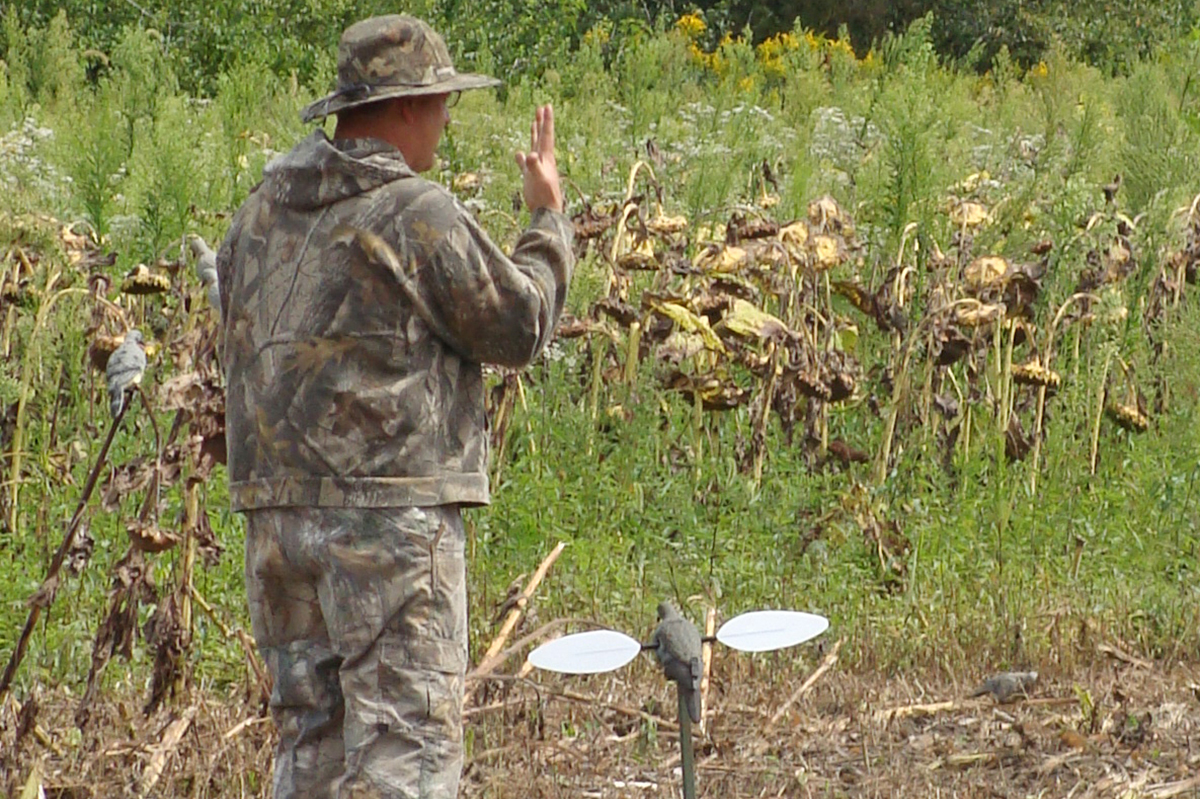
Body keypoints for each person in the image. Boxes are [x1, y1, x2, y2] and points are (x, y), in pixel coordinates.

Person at [215, 14, 574, 798]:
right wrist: (546, 222)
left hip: (276, 529)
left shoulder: (254, 218)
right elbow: (518, 326)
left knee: (308, 750)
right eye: (442, 102)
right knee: (403, 757)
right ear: (407, 106)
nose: (446, 121)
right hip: (388, 530)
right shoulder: (417, 212)